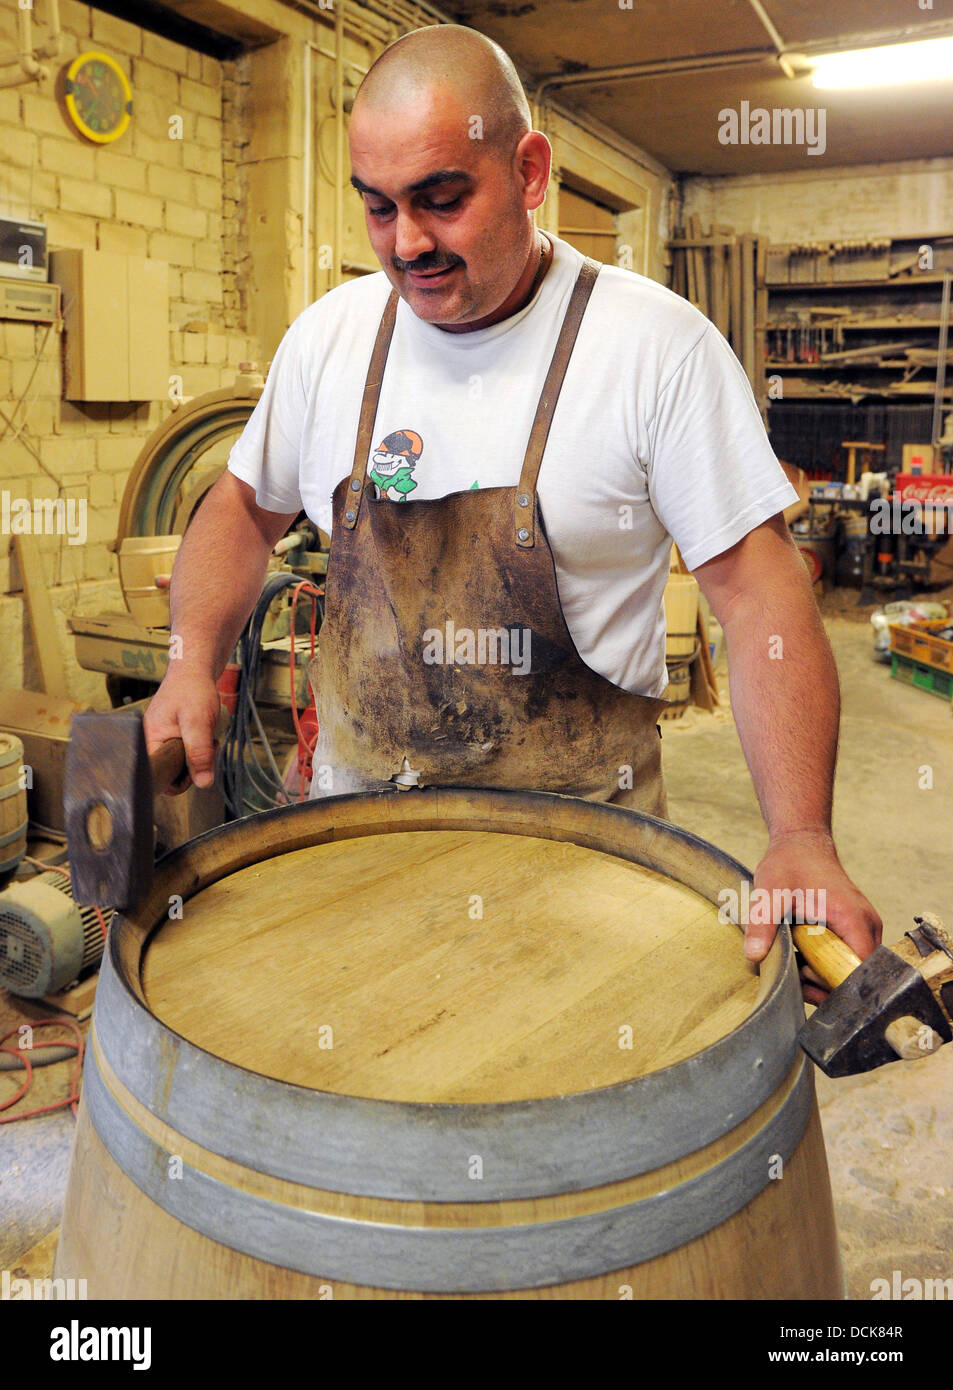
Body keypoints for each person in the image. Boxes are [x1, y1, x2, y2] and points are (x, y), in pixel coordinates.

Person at [144, 24, 881, 997]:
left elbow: (758, 599)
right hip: (351, 855)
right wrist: (190, 659)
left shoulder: (652, 349)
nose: (406, 243)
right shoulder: (328, 344)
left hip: (589, 873)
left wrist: (799, 835)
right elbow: (242, 507)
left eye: (441, 200)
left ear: (529, 171)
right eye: (377, 208)